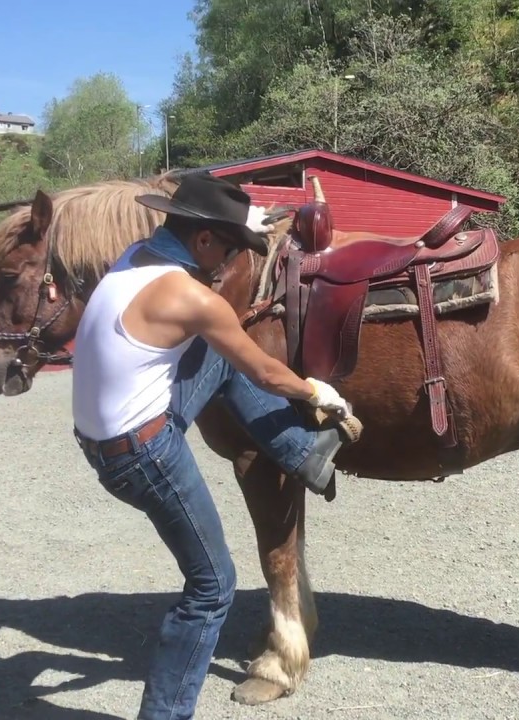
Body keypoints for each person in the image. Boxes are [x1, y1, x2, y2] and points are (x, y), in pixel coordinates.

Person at [69, 171, 351, 720]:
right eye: (225, 249)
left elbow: (226, 350)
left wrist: (241, 223)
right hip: (142, 454)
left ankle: (298, 451)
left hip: (104, 435)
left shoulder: (134, 256)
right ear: (202, 240)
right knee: (212, 586)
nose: (226, 264)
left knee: (217, 356)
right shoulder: (194, 298)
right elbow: (268, 373)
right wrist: (318, 392)